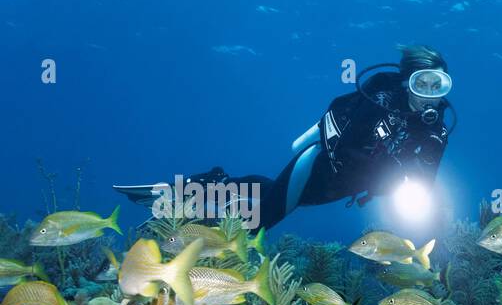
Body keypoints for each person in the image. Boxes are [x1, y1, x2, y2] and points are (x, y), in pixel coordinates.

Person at [116, 45, 454, 230]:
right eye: (421, 83)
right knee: (260, 221)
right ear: (405, 81)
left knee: (264, 192)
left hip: (342, 190)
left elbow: (424, 182)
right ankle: (188, 206)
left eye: (437, 86)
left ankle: (215, 180)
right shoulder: (380, 98)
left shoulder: (436, 131)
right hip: (319, 167)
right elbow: (348, 146)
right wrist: (390, 171)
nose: (429, 95)